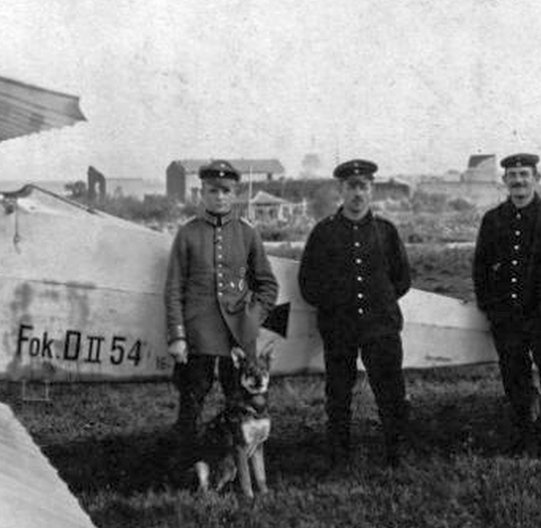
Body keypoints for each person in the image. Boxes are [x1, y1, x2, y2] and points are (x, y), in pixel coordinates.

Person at [298, 159, 413, 468]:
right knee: (338, 395)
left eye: (363, 187)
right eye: (352, 187)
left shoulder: (386, 232)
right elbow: (308, 284)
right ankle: (338, 456)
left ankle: (395, 454)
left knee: (390, 392)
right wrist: (337, 306)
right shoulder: (324, 233)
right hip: (340, 329)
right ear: (341, 190)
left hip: (381, 328)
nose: (358, 194)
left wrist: (380, 304)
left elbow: (402, 279)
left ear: (372, 190)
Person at [472, 152, 541, 459]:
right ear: (504, 181)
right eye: (513, 175)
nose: (519, 181)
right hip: (507, 319)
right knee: (516, 382)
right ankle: (527, 445)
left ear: (536, 178)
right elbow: (480, 268)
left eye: (524, 174)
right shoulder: (493, 220)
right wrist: (491, 309)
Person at [164, 159, 279, 448]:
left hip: (237, 335)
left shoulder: (246, 233)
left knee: (240, 404)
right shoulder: (187, 233)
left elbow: (267, 285)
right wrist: (178, 336)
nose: (220, 197)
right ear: (202, 192)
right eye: (213, 191)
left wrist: (251, 320)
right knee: (191, 403)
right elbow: (174, 288)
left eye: (226, 191)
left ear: (235, 193)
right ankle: (186, 466)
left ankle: (238, 467)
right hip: (197, 334)